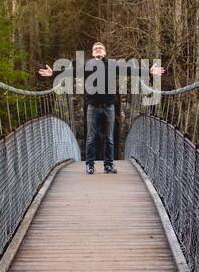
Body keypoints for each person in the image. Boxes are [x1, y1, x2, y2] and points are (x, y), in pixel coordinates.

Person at [38, 42, 165, 174]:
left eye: (100, 48)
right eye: (95, 48)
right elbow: (71, 72)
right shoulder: (87, 66)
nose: (98, 49)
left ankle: (108, 165)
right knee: (91, 138)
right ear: (93, 53)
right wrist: (54, 73)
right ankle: (90, 165)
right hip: (93, 107)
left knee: (109, 138)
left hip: (109, 107)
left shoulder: (111, 65)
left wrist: (148, 71)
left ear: (104, 53)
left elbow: (129, 70)